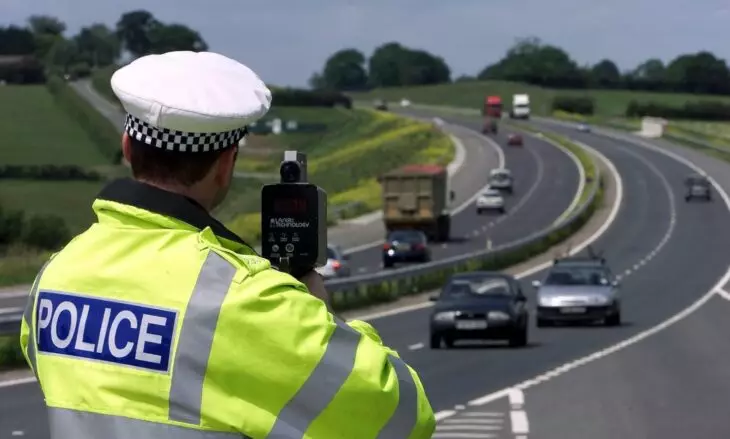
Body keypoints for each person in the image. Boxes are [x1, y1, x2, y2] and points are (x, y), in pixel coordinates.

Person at [19, 51, 435, 439]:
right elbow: (402, 417)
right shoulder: (242, 300)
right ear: (225, 164)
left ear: (128, 148)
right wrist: (324, 319)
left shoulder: (55, 276)